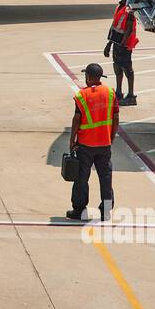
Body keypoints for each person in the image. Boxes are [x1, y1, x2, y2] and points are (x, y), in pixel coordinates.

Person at [66, 62, 118, 222]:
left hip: (86, 144)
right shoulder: (110, 93)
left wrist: (72, 139)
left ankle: (79, 209)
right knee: (105, 177)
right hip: (104, 143)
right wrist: (112, 136)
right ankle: (106, 211)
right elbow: (116, 117)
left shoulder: (82, 95)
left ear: (88, 77)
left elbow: (76, 119)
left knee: (82, 177)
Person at [106, 0, 138, 106]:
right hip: (117, 43)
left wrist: (122, 45)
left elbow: (129, 30)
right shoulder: (119, 7)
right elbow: (115, 27)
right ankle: (119, 93)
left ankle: (131, 96)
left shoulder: (129, 10)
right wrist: (109, 44)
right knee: (117, 68)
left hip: (124, 45)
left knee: (127, 69)